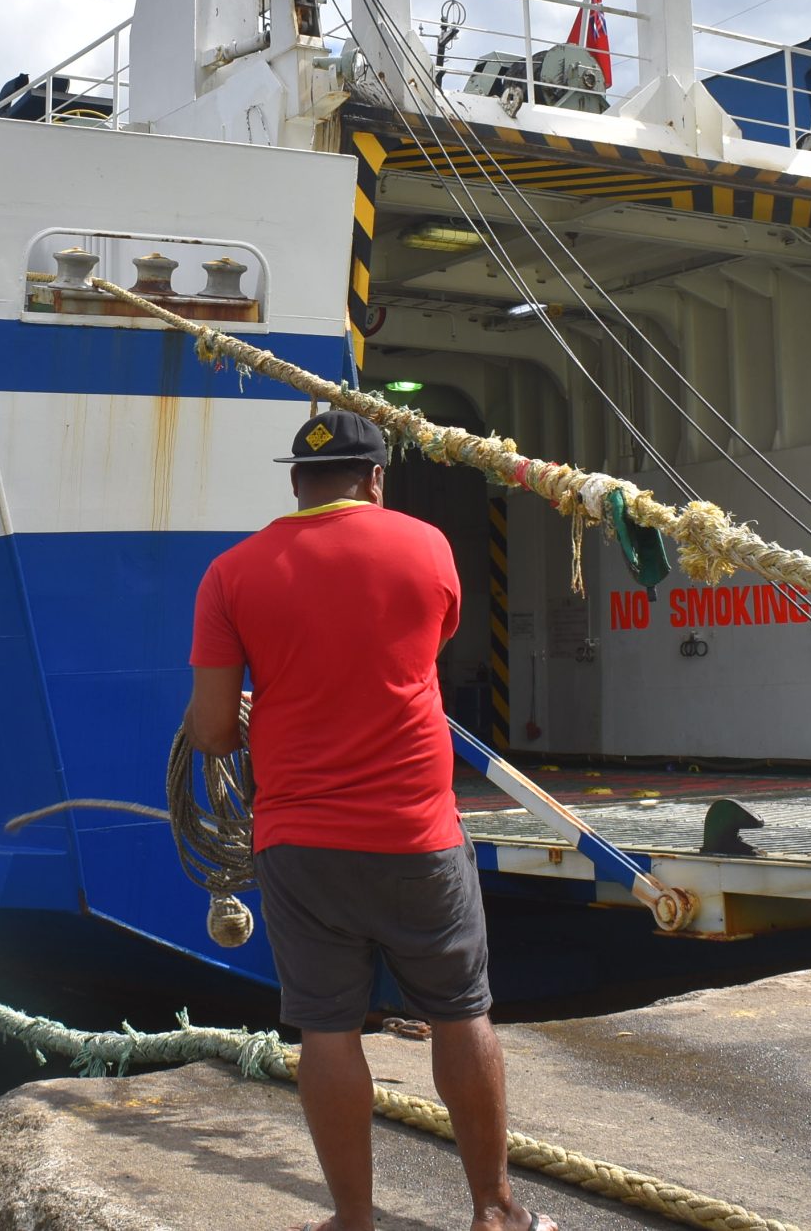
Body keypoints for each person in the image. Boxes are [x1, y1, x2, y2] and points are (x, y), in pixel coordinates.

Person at [184, 409, 550, 1231]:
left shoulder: (231, 573)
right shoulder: (427, 548)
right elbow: (427, 646)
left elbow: (210, 731)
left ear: (295, 482)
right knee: (461, 1011)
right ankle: (495, 1211)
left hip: (299, 843)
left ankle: (353, 1221)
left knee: (326, 1029)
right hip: (417, 831)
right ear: (376, 478)